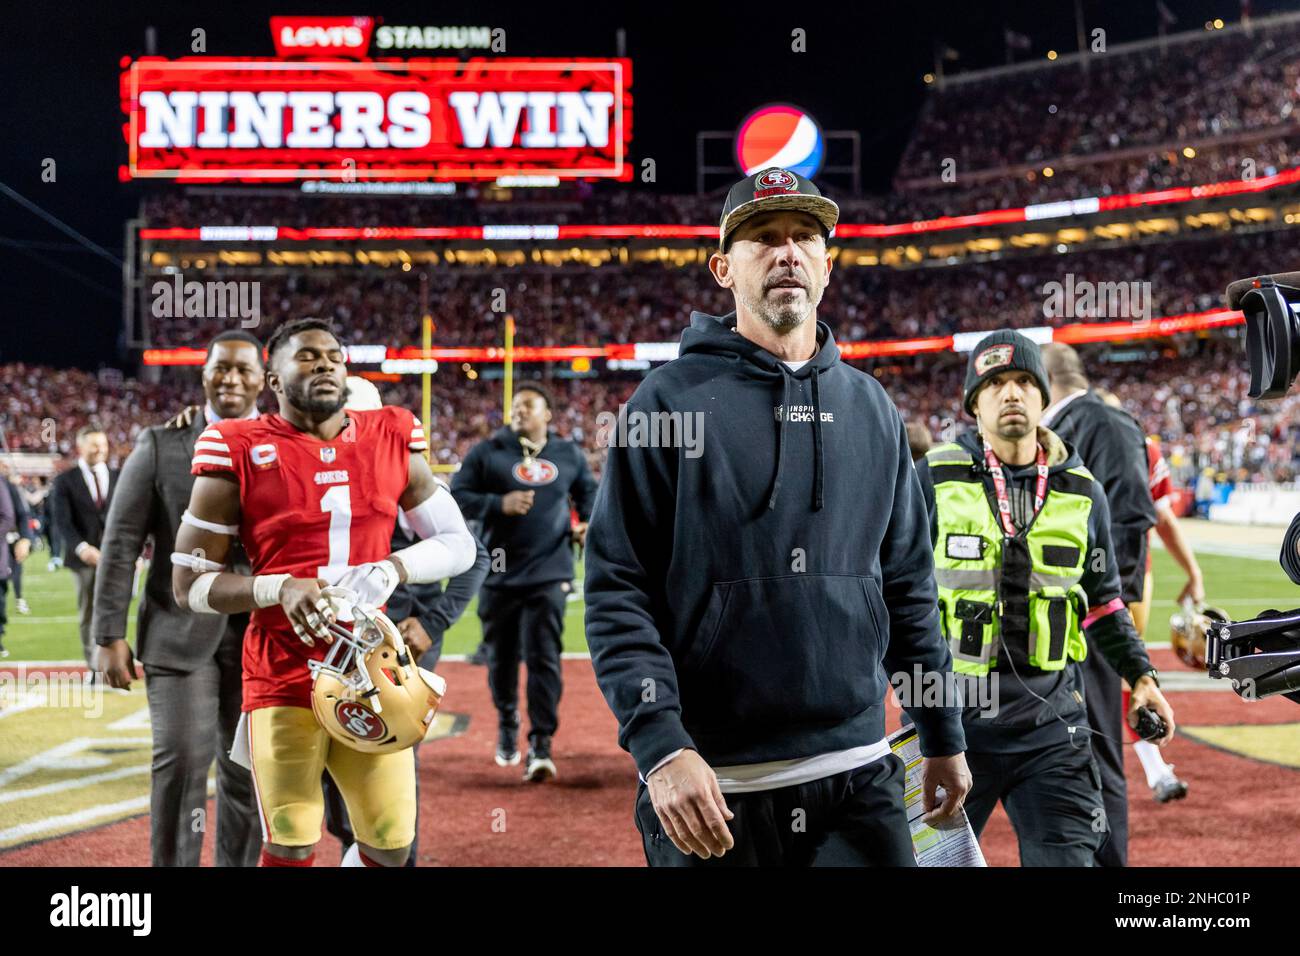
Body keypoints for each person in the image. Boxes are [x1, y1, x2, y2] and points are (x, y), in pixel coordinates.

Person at [585, 167, 970, 867]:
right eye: (762, 237)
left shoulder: (873, 408)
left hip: (860, 769)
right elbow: (616, 590)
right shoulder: (663, 406)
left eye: (804, 236)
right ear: (723, 269)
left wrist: (942, 732)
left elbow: (910, 587)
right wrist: (662, 747)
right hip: (715, 785)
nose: (786, 251)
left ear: (828, 262)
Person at [171, 318, 477, 868]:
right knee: (290, 837)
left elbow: (460, 544)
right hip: (282, 668)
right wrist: (278, 588)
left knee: (391, 842)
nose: (325, 364)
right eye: (307, 356)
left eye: (334, 355)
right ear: (275, 379)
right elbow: (188, 584)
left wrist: (394, 569)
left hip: (372, 668)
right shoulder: (236, 445)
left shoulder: (391, 433)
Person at [917, 330, 1174, 866]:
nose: (1011, 394)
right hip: (953, 727)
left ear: (1043, 398)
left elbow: (1104, 601)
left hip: (1053, 727)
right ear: (974, 402)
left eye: (1023, 382)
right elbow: (897, 592)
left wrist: (1143, 678)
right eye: (995, 384)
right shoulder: (932, 478)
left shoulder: (1083, 490)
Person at [92, 331, 266, 867]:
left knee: (249, 770)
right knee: (184, 763)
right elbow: (120, 541)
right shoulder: (162, 443)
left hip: (260, 636)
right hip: (177, 628)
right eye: (221, 368)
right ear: (204, 373)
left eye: (243, 370)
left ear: (264, 379)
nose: (231, 379)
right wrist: (108, 634)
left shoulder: (284, 443)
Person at [320, 376, 490, 866]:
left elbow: (472, 555)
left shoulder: (408, 478)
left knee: (390, 747)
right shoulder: (319, 475)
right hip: (339, 635)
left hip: (401, 636)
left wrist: (432, 623)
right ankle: (355, 843)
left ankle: (393, 855)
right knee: (333, 743)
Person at [1040, 342, 1158, 867]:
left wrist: (1117, 614)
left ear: (1044, 383)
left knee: (1096, 753)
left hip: (1088, 624)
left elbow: (1132, 517)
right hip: (1053, 627)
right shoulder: (1071, 427)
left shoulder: (1100, 423)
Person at [451, 383, 597, 781]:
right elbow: (457, 495)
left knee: (544, 659)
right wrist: (498, 504)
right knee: (500, 660)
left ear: (547, 413)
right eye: (515, 406)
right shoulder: (488, 451)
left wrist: (585, 523)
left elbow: (590, 496)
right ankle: (507, 719)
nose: (519, 411)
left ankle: (542, 742)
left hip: (549, 574)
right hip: (498, 574)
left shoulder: (567, 453)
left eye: (528, 406)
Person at [50, 424, 118, 670]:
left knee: (115, 609)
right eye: (94, 445)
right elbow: (61, 521)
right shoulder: (65, 481)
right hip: (83, 559)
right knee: (88, 612)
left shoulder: (118, 476)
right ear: (80, 447)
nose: (100, 449)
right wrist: (81, 548)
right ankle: (94, 666)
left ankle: (115, 661)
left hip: (117, 557)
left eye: (103, 444)